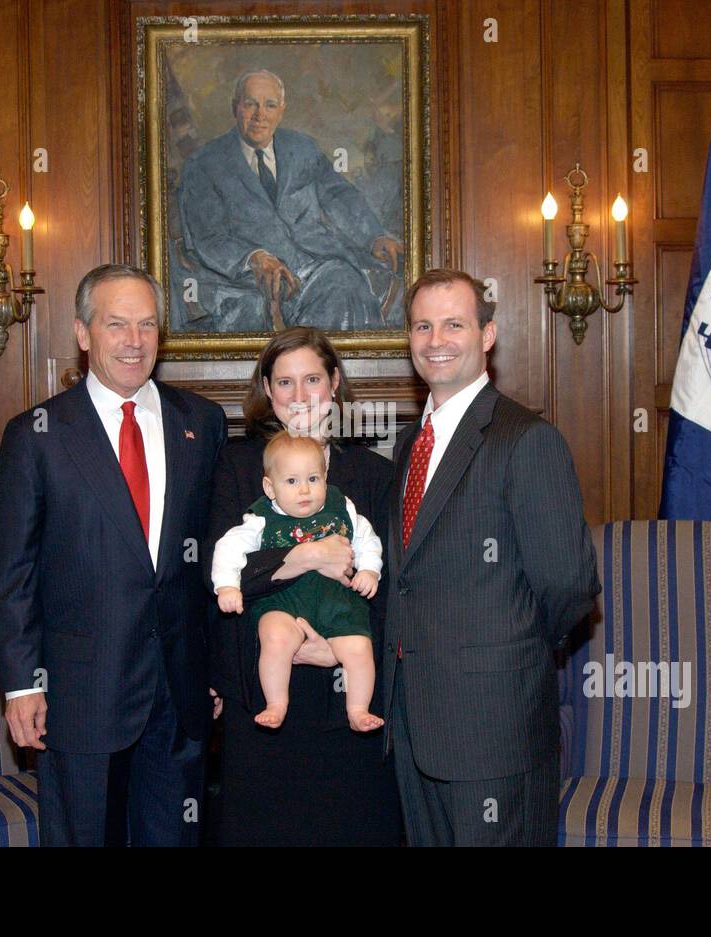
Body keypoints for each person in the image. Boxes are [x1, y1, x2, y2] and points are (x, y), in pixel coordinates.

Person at [0, 264, 226, 846]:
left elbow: (216, 557)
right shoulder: (37, 434)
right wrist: (22, 685)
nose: (135, 340)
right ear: (83, 332)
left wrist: (217, 667)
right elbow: (13, 571)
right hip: (80, 690)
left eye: (147, 325)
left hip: (179, 687)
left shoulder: (201, 422)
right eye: (117, 324)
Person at [384, 268, 601, 846]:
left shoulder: (525, 439)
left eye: (454, 324)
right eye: (422, 326)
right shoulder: (410, 444)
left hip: (493, 720)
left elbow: (569, 582)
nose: (436, 340)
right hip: (411, 716)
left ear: (487, 336)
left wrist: (512, 650)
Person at [203, 326, 402, 846]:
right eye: (284, 382)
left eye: (312, 378)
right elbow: (220, 574)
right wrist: (303, 556)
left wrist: (336, 652)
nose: (299, 395)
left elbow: (394, 586)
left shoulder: (374, 475)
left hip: (349, 700)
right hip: (263, 694)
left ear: (334, 383)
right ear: (267, 391)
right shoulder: (238, 468)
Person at [176, 69, 404, 332]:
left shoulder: (302, 148)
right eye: (250, 104)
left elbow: (338, 195)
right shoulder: (204, 164)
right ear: (235, 107)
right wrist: (254, 258)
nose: (260, 115)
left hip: (321, 263)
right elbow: (208, 237)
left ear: (281, 110)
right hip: (251, 282)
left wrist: (373, 237)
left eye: (270, 105)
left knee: (348, 286)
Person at [212, 432, 384, 732]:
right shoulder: (260, 517)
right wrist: (226, 585)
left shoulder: (342, 506)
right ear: (270, 487)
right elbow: (227, 548)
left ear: (326, 477)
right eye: (291, 481)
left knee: (359, 647)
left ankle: (358, 709)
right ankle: (276, 702)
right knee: (276, 638)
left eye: (313, 479)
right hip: (284, 602)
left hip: (337, 602)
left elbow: (368, 539)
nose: (304, 489)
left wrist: (369, 570)